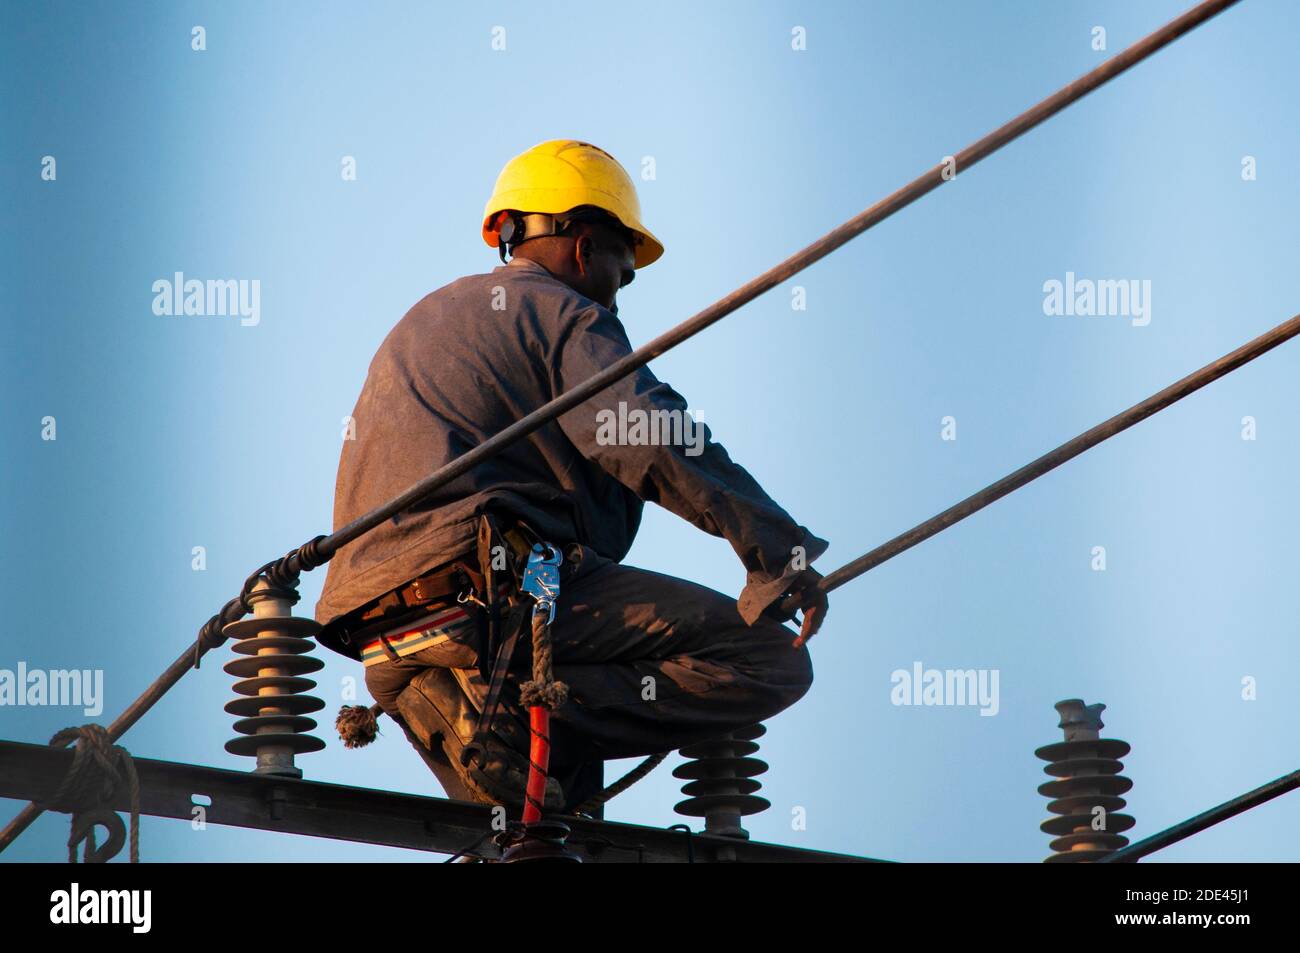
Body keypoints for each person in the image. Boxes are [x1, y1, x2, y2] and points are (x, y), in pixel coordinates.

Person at [314, 140, 829, 814]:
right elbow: (649, 436)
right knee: (767, 656)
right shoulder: (560, 312)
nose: (626, 282)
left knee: (545, 835)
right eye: (624, 260)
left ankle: (499, 725)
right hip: (488, 595)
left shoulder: (425, 323)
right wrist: (774, 552)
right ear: (583, 247)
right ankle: (512, 716)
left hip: (386, 627)